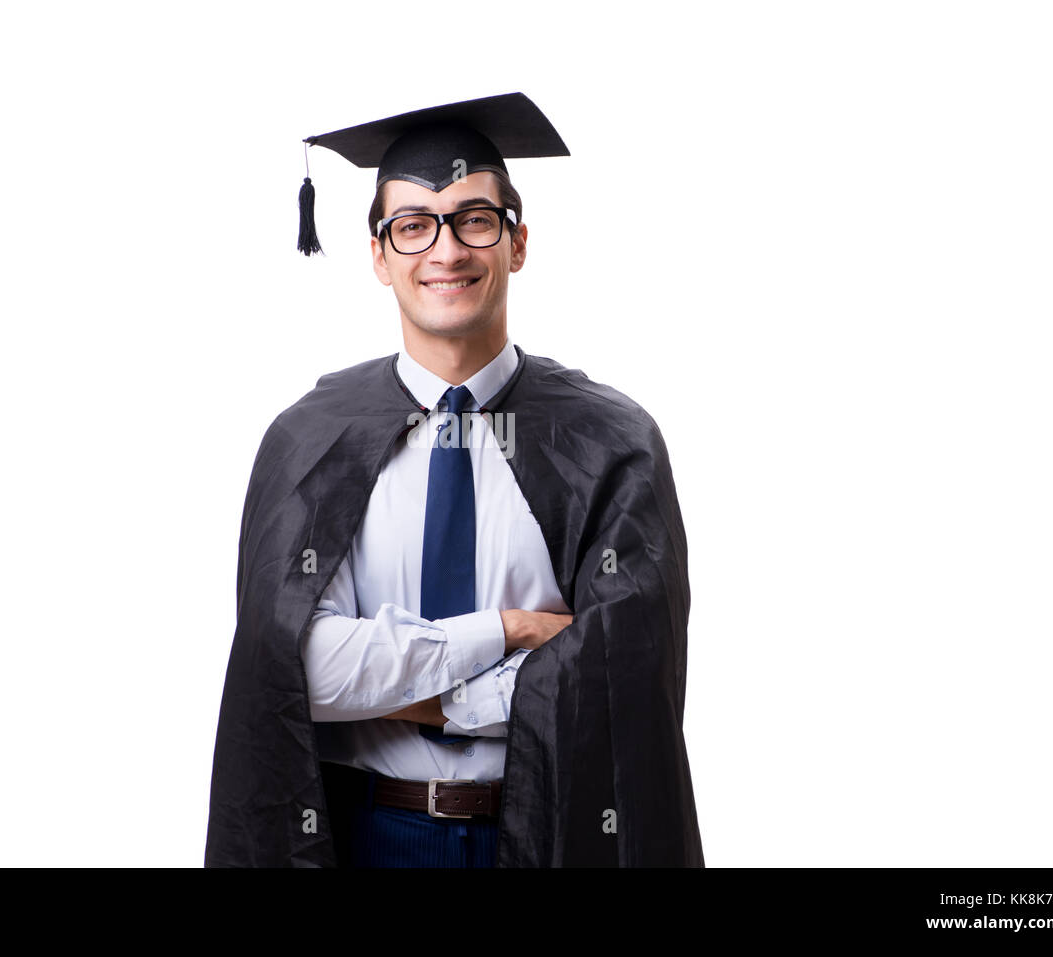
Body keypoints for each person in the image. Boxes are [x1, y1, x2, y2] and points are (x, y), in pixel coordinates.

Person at [205, 92, 704, 867]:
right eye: (413, 225)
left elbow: (617, 681)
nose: (446, 251)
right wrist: (505, 635)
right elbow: (293, 671)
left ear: (518, 242)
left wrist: (410, 693)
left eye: (475, 219)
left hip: (548, 834)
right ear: (379, 255)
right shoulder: (310, 439)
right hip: (365, 837)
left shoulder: (610, 443)